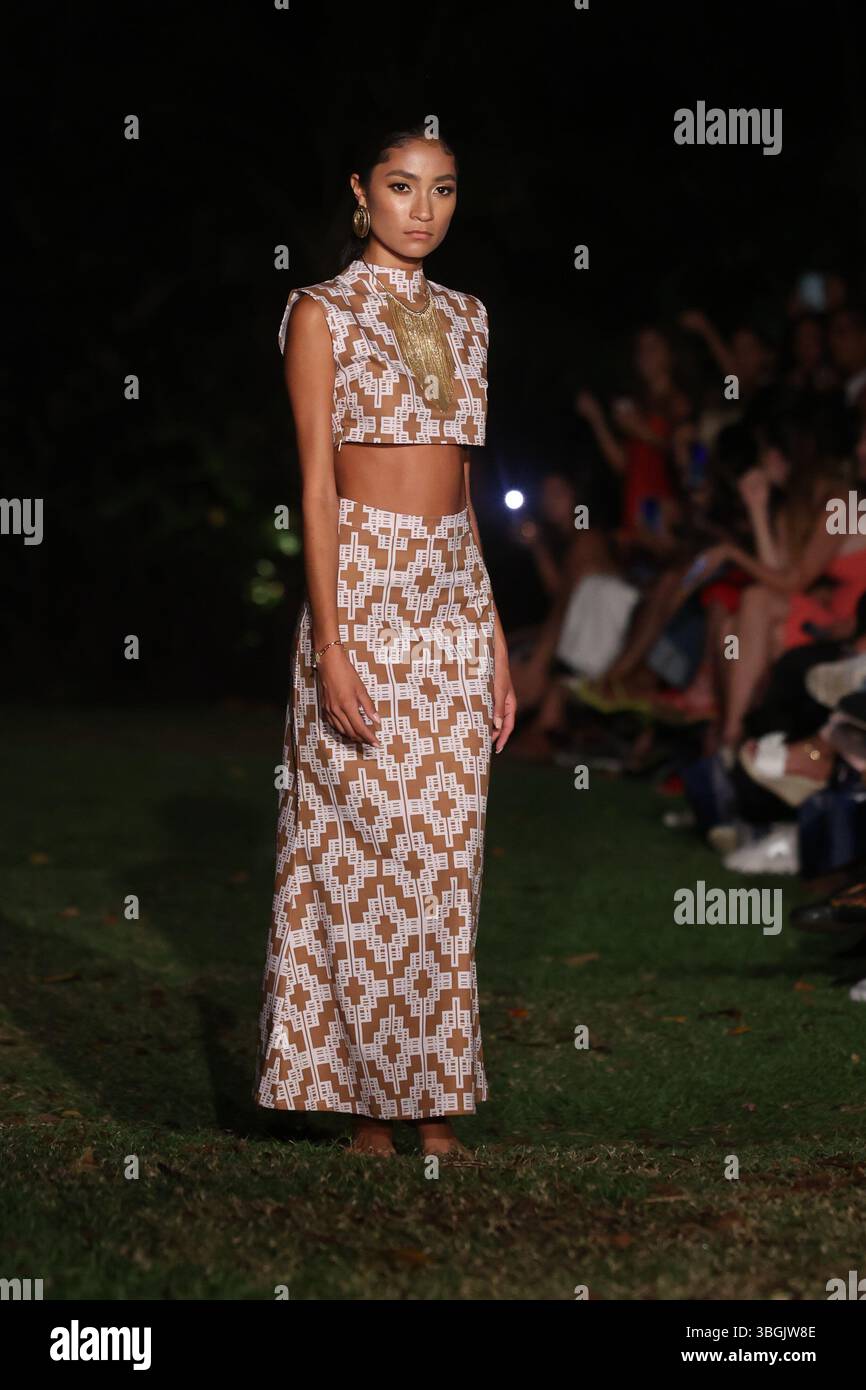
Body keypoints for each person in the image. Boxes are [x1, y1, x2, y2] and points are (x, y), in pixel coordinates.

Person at [251, 122, 516, 1160]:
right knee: (362, 851)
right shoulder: (320, 311)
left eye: (443, 189)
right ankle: (368, 1108)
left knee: (445, 860)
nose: (423, 208)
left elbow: (461, 488)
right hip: (360, 584)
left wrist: (493, 635)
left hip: (452, 586)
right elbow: (314, 483)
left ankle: (432, 1104)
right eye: (402, 186)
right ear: (361, 191)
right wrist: (330, 639)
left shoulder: (468, 315)